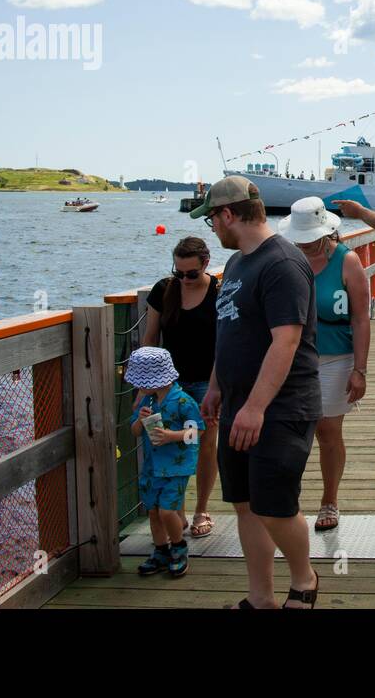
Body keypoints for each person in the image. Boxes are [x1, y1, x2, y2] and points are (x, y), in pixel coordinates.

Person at [190, 176, 322, 609]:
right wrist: (215, 386)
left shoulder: (281, 263)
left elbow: (285, 340)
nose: (213, 228)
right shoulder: (236, 265)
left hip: (279, 408)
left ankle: (305, 581)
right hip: (238, 405)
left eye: (212, 219)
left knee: (275, 506)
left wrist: (256, 407)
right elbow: (230, 329)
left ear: (228, 215)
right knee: (246, 505)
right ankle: (259, 598)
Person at [277, 198, 370, 533]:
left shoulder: (348, 262)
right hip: (293, 358)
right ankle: (287, 501)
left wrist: (360, 369)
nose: (303, 243)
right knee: (293, 428)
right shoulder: (286, 260)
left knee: (327, 430)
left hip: (337, 358)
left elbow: (361, 318)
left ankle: (329, 499)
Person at [143, 236, 220, 539]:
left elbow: (224, 345)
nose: (184, 279)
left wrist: (218, 387)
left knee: (203, 443)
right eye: (178, 272)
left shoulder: (219, 292)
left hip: (206, 381)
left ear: (205, 263)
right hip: (167, 384)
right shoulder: (164, 290)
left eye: (191, 273)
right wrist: (145, 383)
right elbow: (150, 338)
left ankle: (201, 508)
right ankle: (176, 510)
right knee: (167, 442)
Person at [127, 346, 205, 579]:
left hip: (176, 466)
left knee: (167, 511)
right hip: (152, 467)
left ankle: (178, 547)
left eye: (141, 381)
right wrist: (140, 421)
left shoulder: (183, 401)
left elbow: (197, 432)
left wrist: (172, 436)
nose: (137, 386)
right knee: (153, 510)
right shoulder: (146, 402)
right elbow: (133, 431)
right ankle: (160, 550)